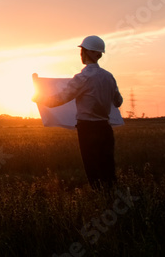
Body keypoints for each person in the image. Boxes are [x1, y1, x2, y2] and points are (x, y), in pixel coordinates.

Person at [33, 35, 123, 189]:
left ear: (89, 52)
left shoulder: (82, 78)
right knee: (108, 169)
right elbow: (118, 102)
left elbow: (60, 99)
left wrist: (40, 98)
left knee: (93, 170)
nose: (80, 54)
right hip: (105, 128)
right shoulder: (109, 77)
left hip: (87, 129)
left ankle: (100, 198)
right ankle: (111, 197)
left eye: (82, 51)